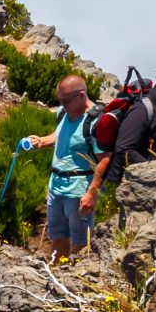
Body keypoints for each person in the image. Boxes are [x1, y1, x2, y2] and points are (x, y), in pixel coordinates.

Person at [84, 59, 156, 218]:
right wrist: (155, 170)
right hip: (129, 187)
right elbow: (124, 148)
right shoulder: (143, 109)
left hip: (154, 185)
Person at [20, 75, 98, 257]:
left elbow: (105, 159)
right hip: (56, 187)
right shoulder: (64, 112)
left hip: (79, 190)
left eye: (67, 100)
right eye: (60, 100)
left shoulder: (95, 120)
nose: (63, 104)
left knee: (81, 242)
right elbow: (59, 135)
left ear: (82, 95)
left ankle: (78, 277)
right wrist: (41, 141)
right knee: (58, 236)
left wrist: (92, 193)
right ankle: (57, 272)